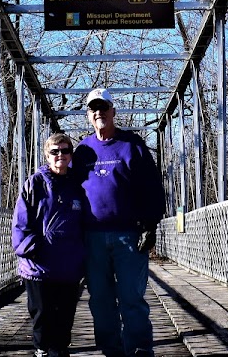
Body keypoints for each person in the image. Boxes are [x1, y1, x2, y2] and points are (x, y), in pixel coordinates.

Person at [73, 87, 165, 357]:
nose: (99, 112)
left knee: (131, 299)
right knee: (100, 301)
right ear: (88, 116)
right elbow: (67, 188)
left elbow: (152, 186)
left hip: (128, 235)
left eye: (104, 107)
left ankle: (138, 351)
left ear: (113, 111)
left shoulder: (131, 145)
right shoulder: (82, 151)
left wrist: (151, 224)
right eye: (93, 108)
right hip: (92, 238)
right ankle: (110, 351)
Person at [12, 133, 87, 357]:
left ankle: (60, 352)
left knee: (65, 320)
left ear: (71, 155)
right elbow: (20, 224)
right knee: (42, 317)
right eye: (54, 151)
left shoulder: (79, 184)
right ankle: (42, 351)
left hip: (69, 266)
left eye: (65, 151)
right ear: (47, 155)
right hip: (39, 267)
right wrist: (36, 249)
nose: (60, 155)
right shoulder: (34, 184)